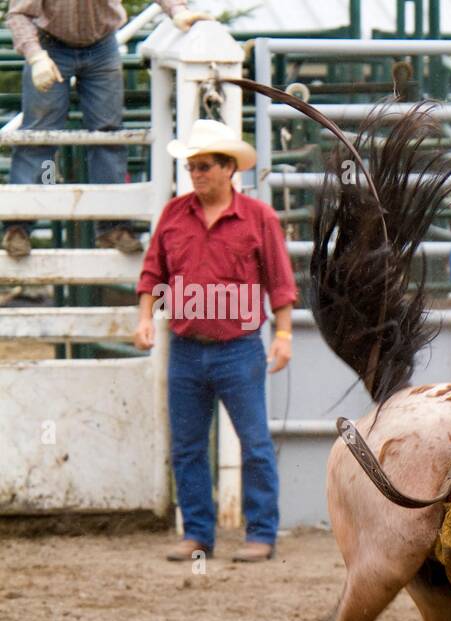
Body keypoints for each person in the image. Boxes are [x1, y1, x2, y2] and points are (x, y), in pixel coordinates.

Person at [132, 120, 297, 563]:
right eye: (192, 167)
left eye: (204, 166)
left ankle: (260, 533)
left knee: (254, 443)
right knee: (188, 445)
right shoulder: (173, 214)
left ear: (228, 169)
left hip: (238, 345)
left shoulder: (259, 218)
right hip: (188, 345)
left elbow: (279, 280)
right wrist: (146, 316)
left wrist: (282, 334)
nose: (196, 174)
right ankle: (199, 534)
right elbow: (153, 273)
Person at [3, 0, 213, 258]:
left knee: (107, 135)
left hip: (100, 43)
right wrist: (35, 55)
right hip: (53, 43)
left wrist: (178, 10)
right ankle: (17, 227)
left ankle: (113, 226)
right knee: (39, 135)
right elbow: (18, 14)